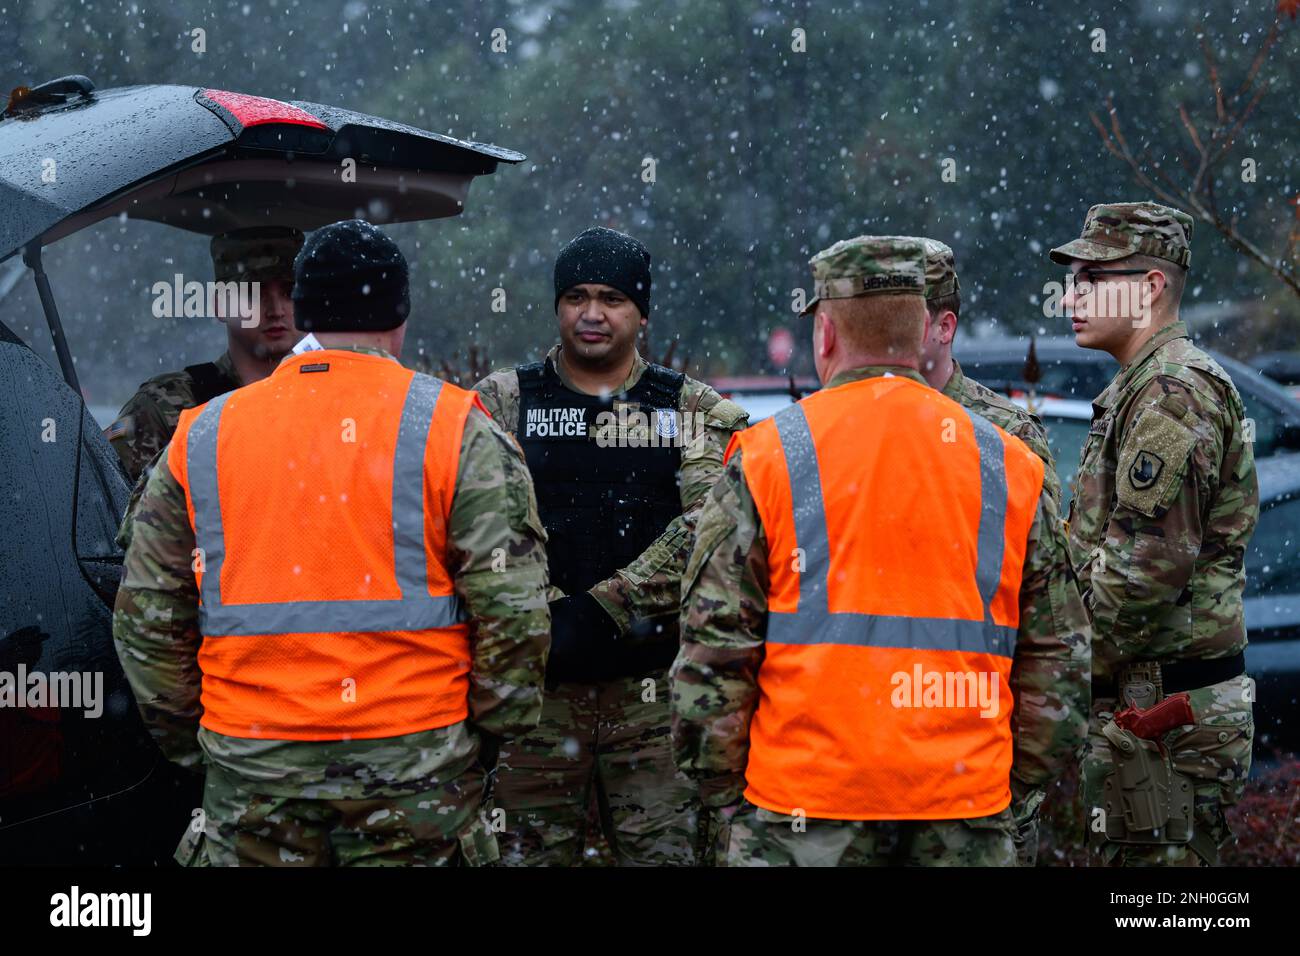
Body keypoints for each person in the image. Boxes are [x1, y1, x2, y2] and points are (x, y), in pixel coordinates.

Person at [112, 220, 550, 866]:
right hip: (414, 774)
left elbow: (145, 623)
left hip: (253, 778)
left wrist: (206, 745)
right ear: (399, 314)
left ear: (307, 309)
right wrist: (472, 744)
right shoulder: (457, 429)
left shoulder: (201, 436)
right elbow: (514, 618)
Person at [671, 235, 1090, 867]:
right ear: (924, 328)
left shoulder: (768, 457)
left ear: (826, 335)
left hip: (803, 810)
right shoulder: (1010, 463)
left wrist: (730, 794)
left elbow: (714, 649)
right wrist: (1008, 783)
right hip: (963, 807)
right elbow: (1061, 656)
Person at [473, 226, 747, 866]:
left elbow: (716, 528)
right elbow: (477, 525)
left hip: (653, 698)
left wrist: (607, 606)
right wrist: (547, 612)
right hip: (535, 699)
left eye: (611, 299)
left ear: (642, 313)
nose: (591, 314)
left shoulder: (693, 412)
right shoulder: (502, 402)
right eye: (575, 296)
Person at [1051, 201, 1257, 866]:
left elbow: (1143, 574)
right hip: (1147, 706)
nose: (1071, 295)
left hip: (1162, 714)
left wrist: (1050, 674)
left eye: (1092, 278)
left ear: (1150, 287)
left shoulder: (1175, 391)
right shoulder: (1146, 385)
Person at [106, 226, 305, 483]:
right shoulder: (167, 406)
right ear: (220, 304)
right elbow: (106, 504)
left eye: (289, 293)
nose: (276, 309)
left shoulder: (325, 398)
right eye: (253, 294)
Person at [916, 237, 1062, 508]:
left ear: (944, 327)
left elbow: (1041, 546)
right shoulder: (857, 421)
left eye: (903, 317)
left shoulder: (1007, 433)